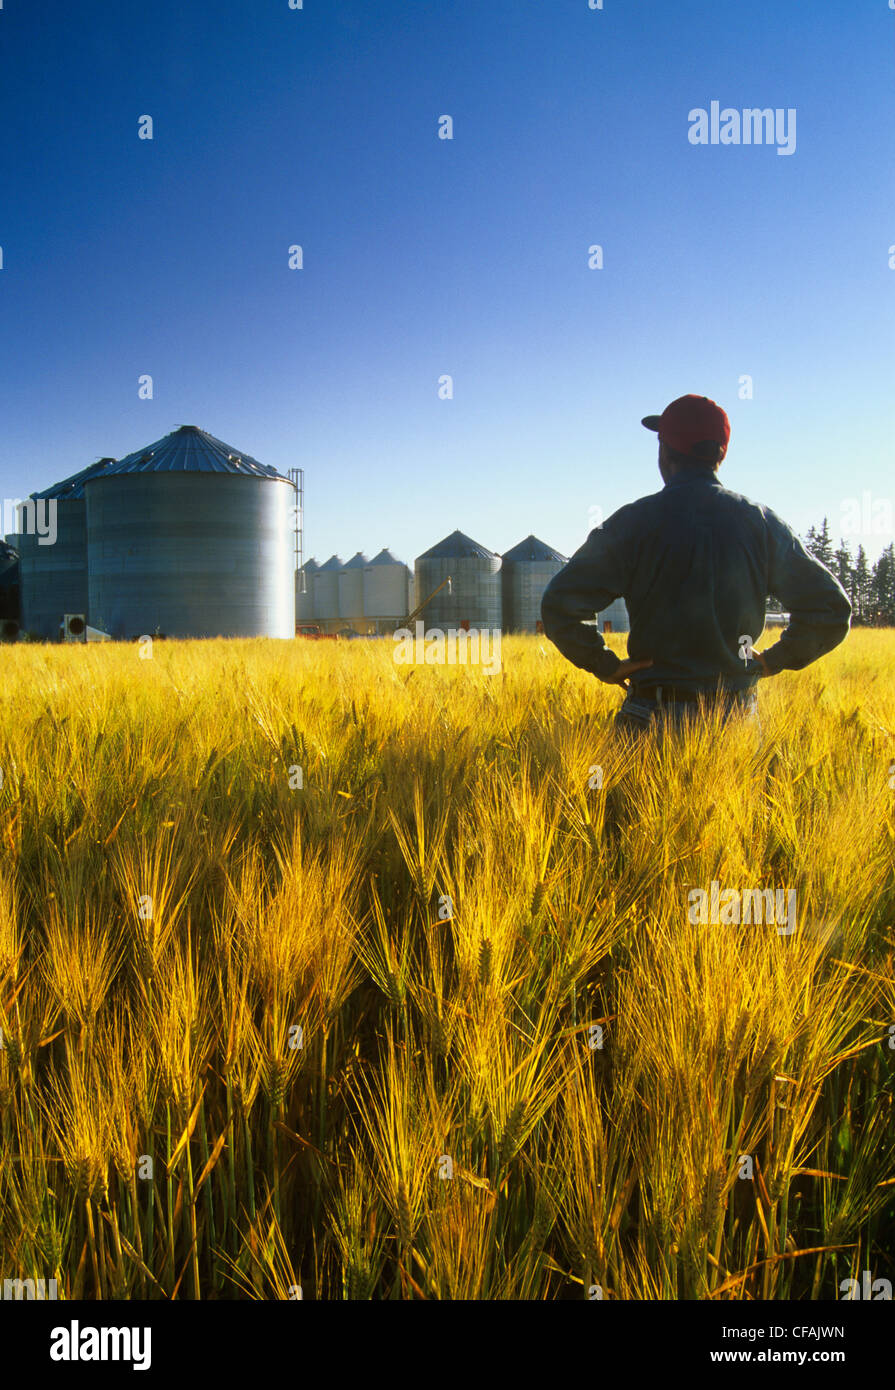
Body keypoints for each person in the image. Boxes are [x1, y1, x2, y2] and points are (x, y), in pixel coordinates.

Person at [540, 394, 852, 737]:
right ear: (721, 455)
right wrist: (775, 660)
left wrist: (604, 664)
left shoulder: (631, 523)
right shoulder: (761, 524)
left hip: (650, 715)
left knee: (635, 795)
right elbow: (831, 608)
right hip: (735, 718)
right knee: (736, 792)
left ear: (665, 452)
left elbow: (559, 605)